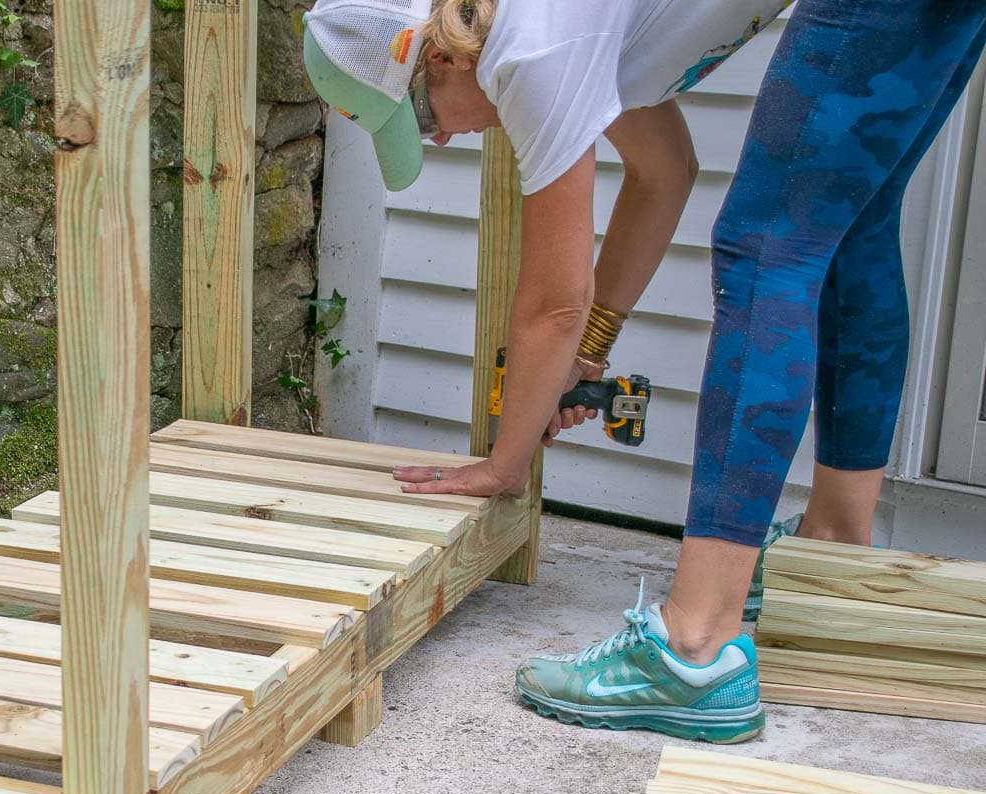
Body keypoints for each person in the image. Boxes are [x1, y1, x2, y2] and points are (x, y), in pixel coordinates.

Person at [303, 0, 986, 743]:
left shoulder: (531, 49)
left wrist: (505, 462)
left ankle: (695, 646)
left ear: (439, 58)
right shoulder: (556, 28)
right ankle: (833, 549)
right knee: (848, 228)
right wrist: (589, 354)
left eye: (424, 120)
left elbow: (550, 308)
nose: (442, 137)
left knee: (765, 250)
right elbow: (665, 173)